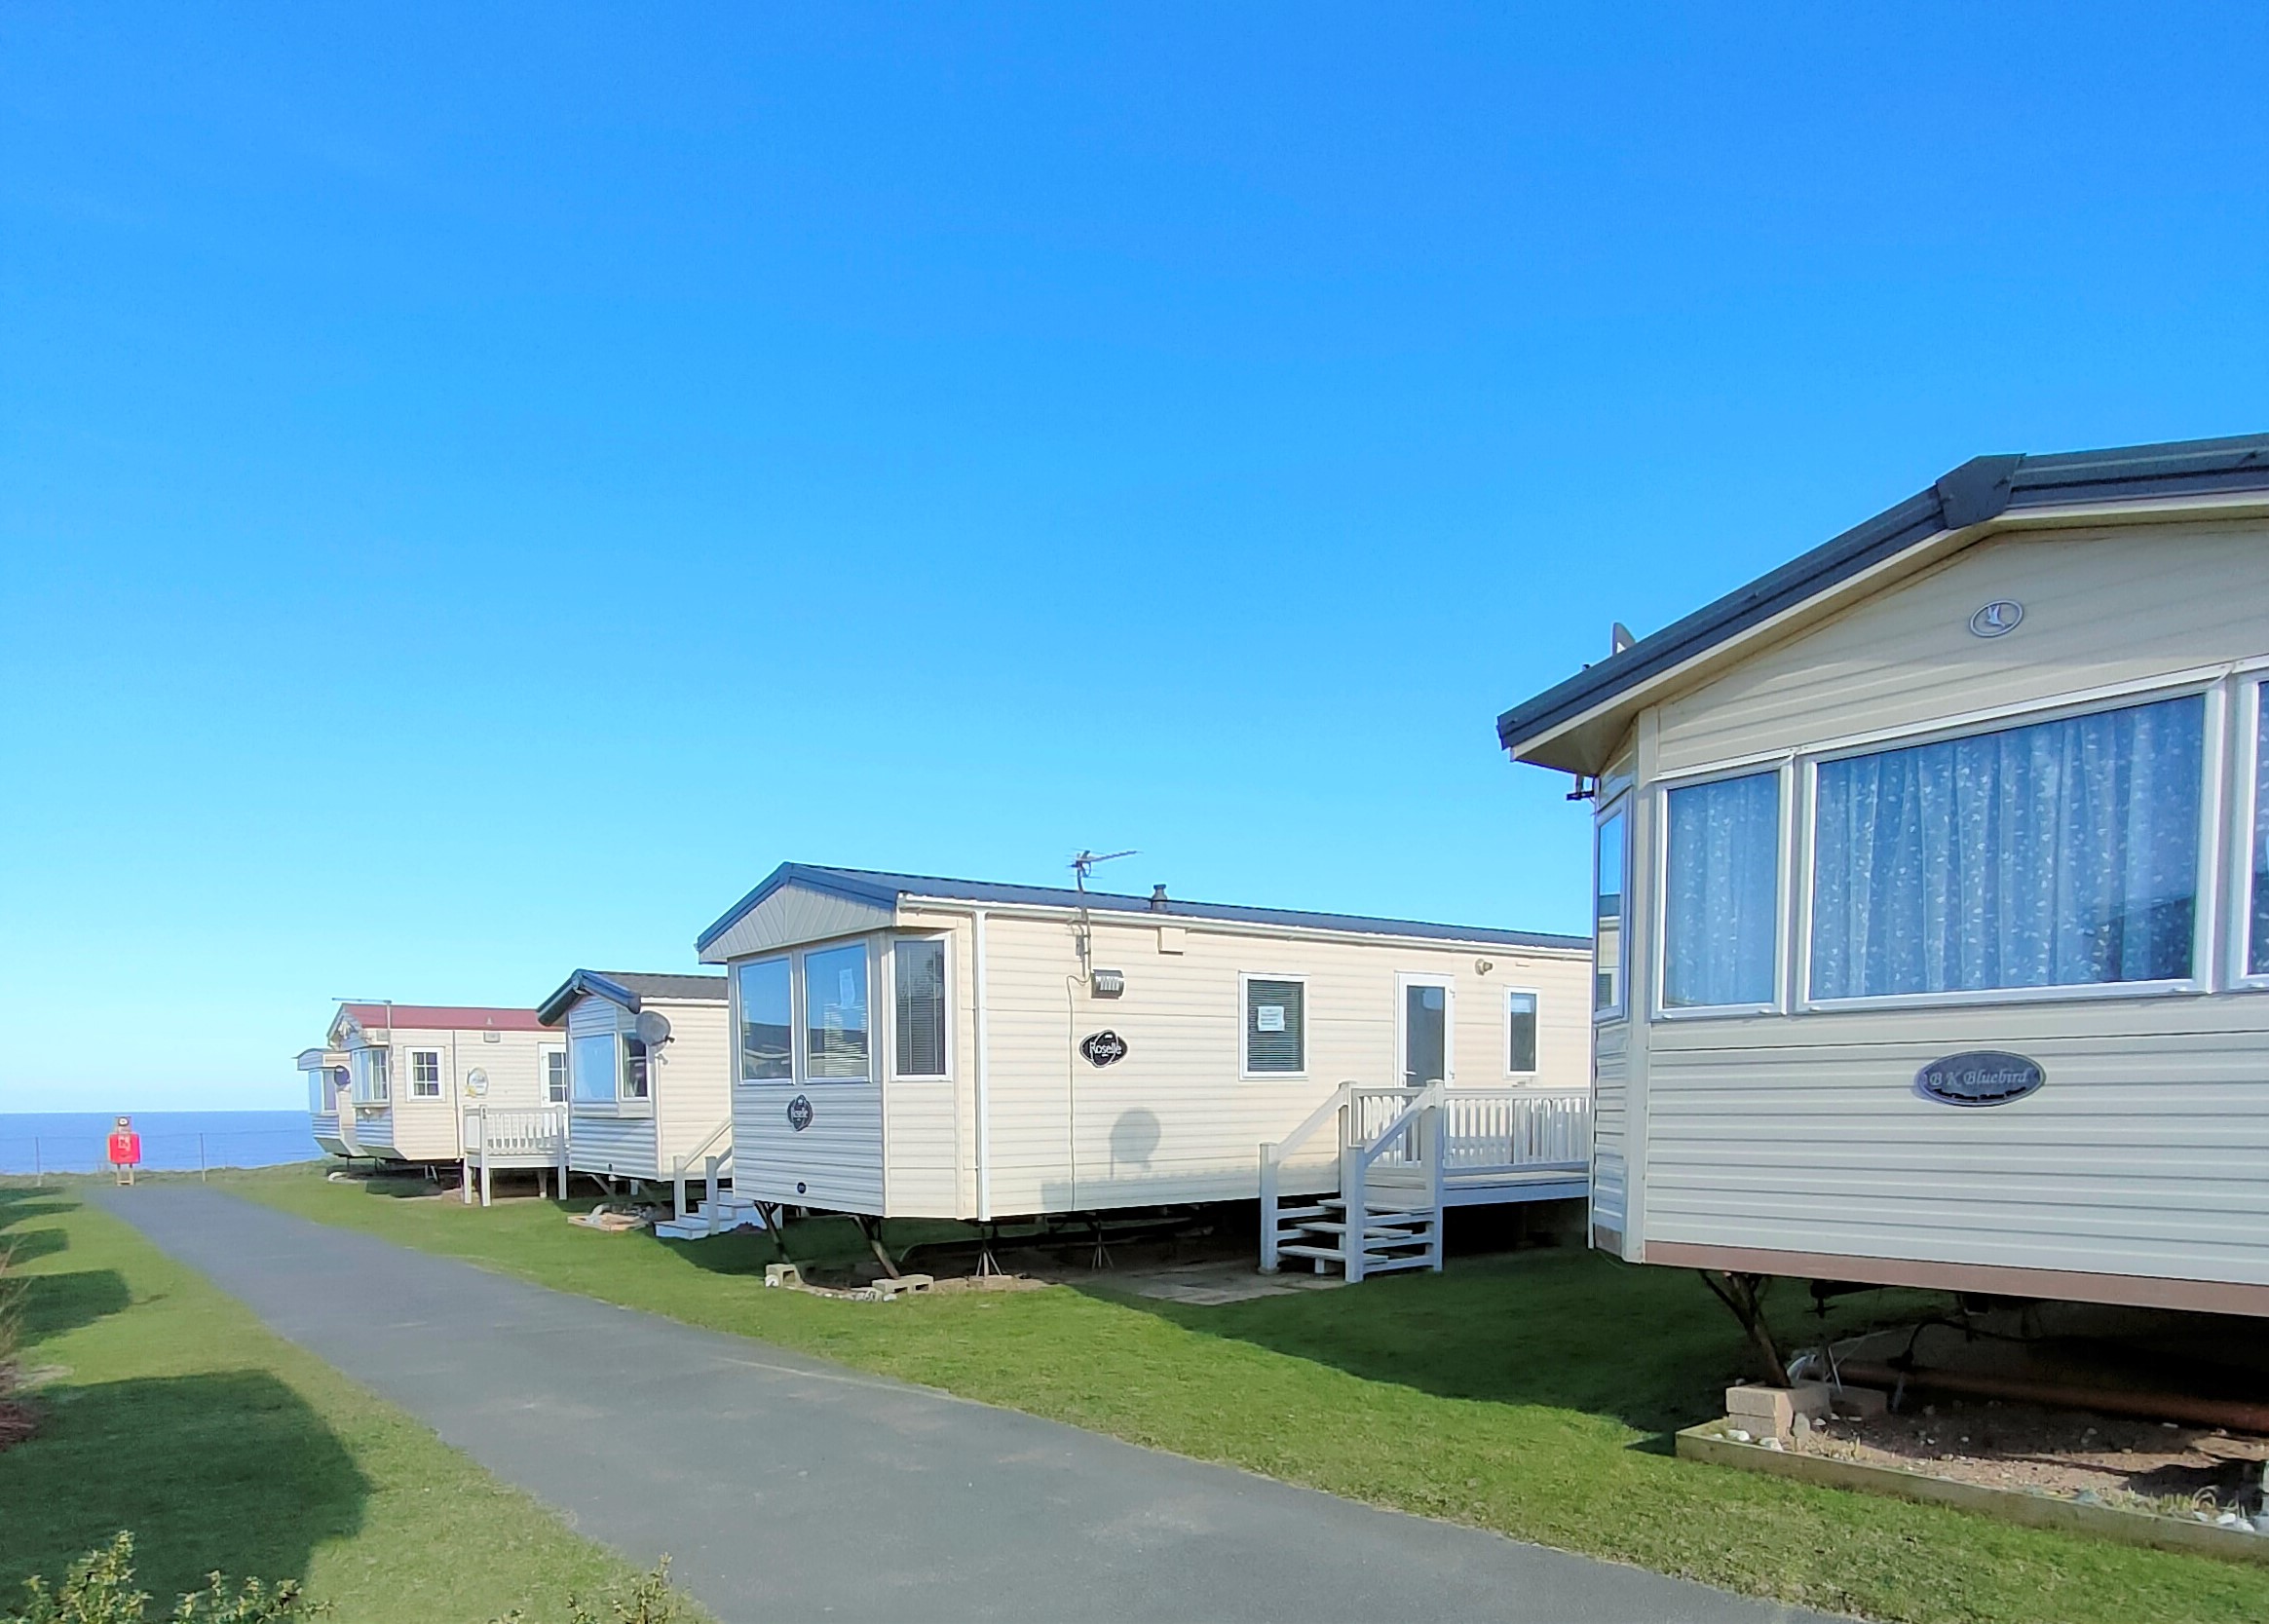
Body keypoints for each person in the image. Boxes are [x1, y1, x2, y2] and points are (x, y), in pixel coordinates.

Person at [107, 1115, 141, 1186]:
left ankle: (130, 1180)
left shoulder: (132, 1136)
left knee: (130, 1167)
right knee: (119, 1167)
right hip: (120, 1154)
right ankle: (119, 1180)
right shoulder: (114, 1137)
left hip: (128, 1154)